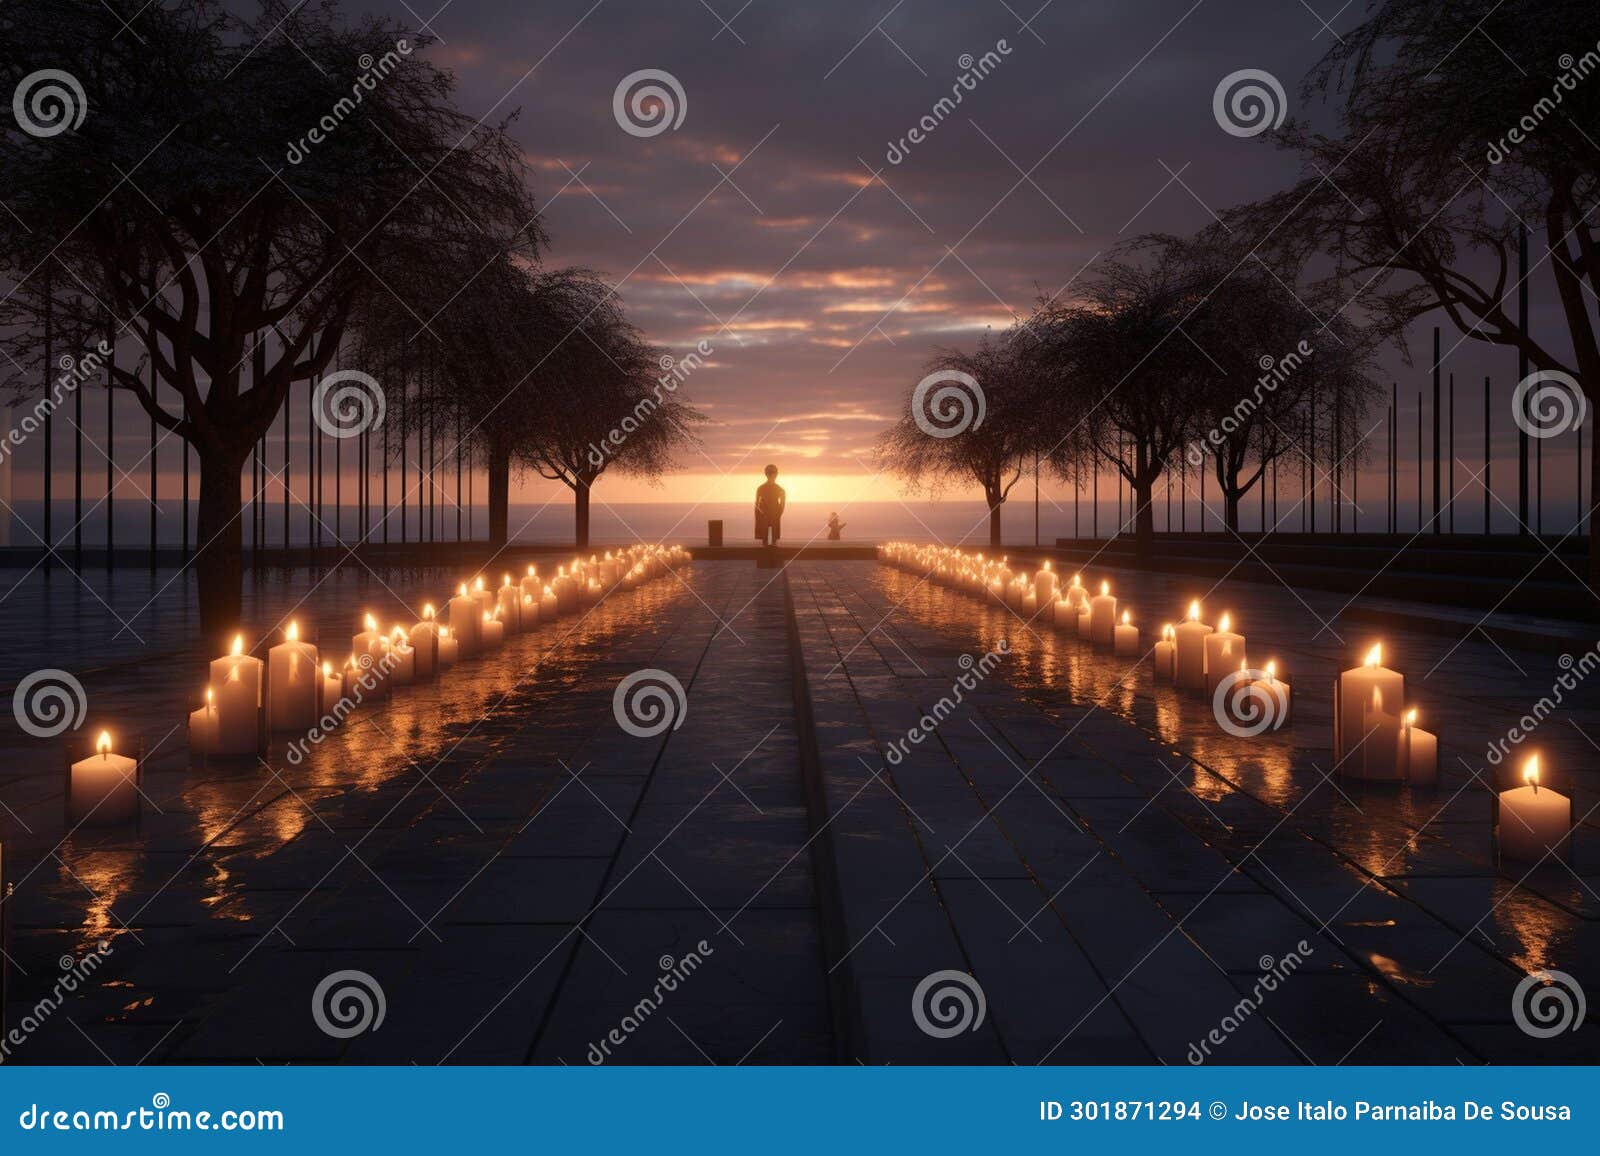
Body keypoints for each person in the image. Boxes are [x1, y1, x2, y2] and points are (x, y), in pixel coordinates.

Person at [754, 464, 786, 546]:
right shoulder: (761, 488)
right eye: (769, 472)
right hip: (764, 514)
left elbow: (782, 504)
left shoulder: (780, 489)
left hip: (774, 513)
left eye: (773, 472)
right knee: (764, 540)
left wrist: (778, 514)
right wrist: (759, 515)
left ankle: (772, 543)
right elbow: (756, 504)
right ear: (766, 474)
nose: (771, 475)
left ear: (776, 474)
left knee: (774, 540)